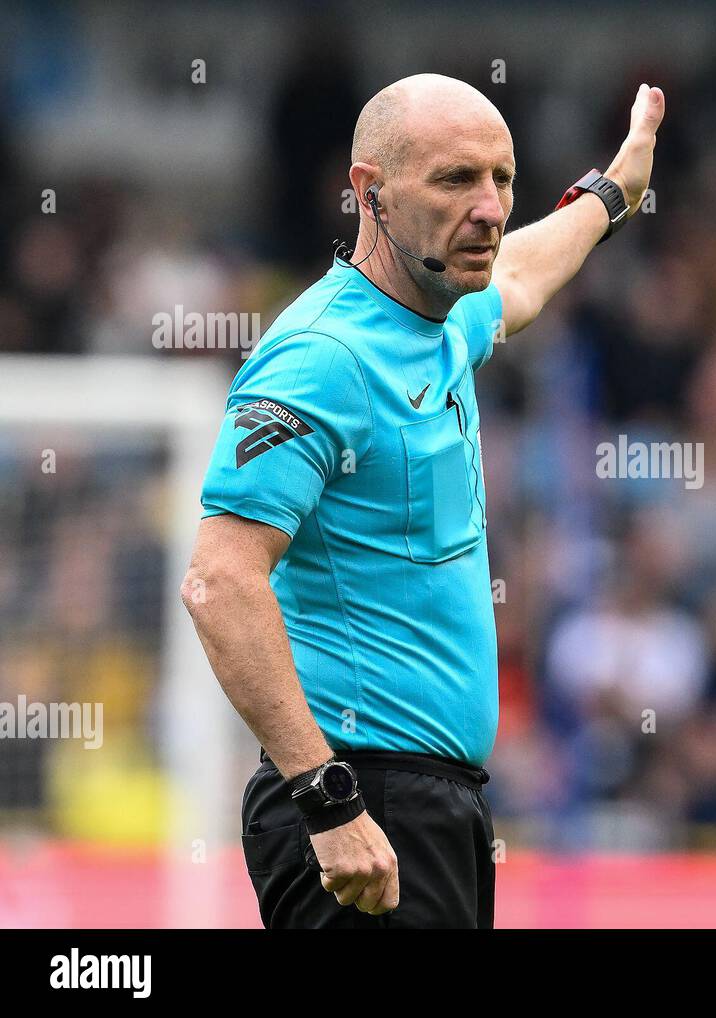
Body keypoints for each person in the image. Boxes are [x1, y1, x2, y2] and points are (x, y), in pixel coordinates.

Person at [181, 73, 665, 927]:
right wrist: (328, 800)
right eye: (454, 181)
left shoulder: (444, 316)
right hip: (359, 799)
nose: (488, 208)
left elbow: (522, 274)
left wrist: (611, 193)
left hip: (432, 808)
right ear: (370, 194)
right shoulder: (322, 358)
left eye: (503, 180)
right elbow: (220, 582)